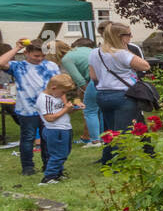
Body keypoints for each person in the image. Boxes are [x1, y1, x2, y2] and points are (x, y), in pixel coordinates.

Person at [86, 23, 151, 166]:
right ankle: (118, 164)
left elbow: (93, 76)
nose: (131, 37)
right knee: (121, 132)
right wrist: (127, 49)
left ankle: (107, 160)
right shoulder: (122, 53)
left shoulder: (94, 53)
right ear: (119, 37)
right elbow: (145, 66)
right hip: (123, 94)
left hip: (103, 94)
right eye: (128, 34)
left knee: (110, 130)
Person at [0, 40, 64, 176]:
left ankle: (48, 165)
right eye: (36, 56)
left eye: (42, 56)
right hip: (26, 110)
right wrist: (16, 47)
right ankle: (28, 167)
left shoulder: (52, 66)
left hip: (48, 109)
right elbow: (1, 63)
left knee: (47, 138)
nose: (39, 59)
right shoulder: (18, 66)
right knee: (27, 139)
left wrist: (62, 104)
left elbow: (60, 86)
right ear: (26, 53)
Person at [38, 73, 80, 185]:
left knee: (64, 153)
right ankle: (49, 177)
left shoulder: (56, 96)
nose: (64, 95)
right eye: (63, 92)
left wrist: (74, 108)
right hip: (55, 130)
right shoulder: (45, 99)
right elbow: (49, 118)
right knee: (58, 154)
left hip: (64, 128)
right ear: (54, 88)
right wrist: (65, 109)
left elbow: (62, 110)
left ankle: (58, 173)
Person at [59, 37, 101, 146]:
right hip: (108, 80)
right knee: (101, 110)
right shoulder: (92, 50)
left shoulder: (67, 58)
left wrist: (87, 93)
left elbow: (79, 80)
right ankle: (104, 136)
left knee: (90, 111)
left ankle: (95, 140)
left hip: (94, 82)